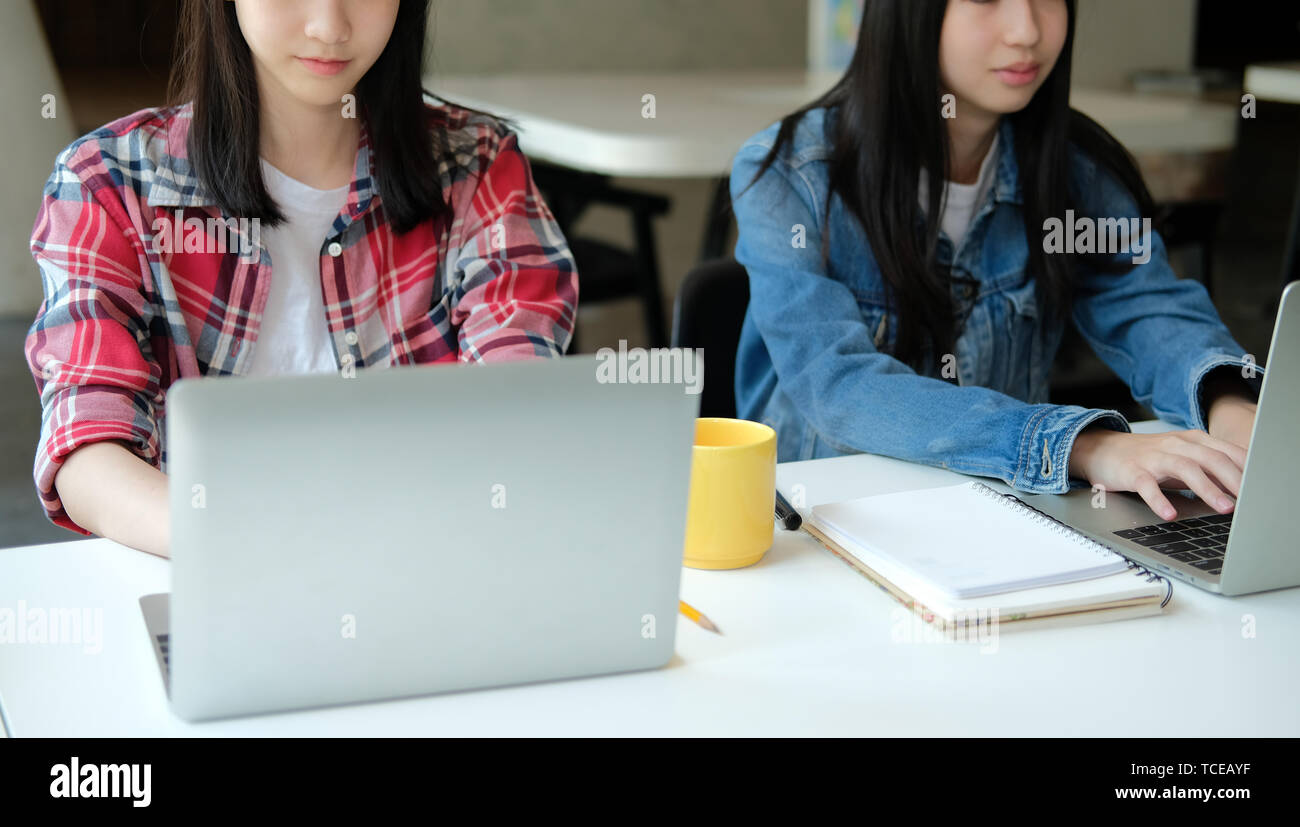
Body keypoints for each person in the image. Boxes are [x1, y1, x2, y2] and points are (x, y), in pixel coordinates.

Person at [24, 0, 578, 556]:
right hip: (209, 577)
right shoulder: (108, 184)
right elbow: (87, 448)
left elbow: (518, 401)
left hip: (431, 568)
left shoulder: (478, 168)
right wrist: (263, 546)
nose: (328, 26)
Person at [730, 0, 1262, 523]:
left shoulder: (1075, 168)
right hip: (825, 527)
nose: (1026, 29)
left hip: (1003, 524)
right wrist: (1082, 447)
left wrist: (1229, 404)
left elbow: (1146, 307)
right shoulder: (790, 176)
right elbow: (838, 383)